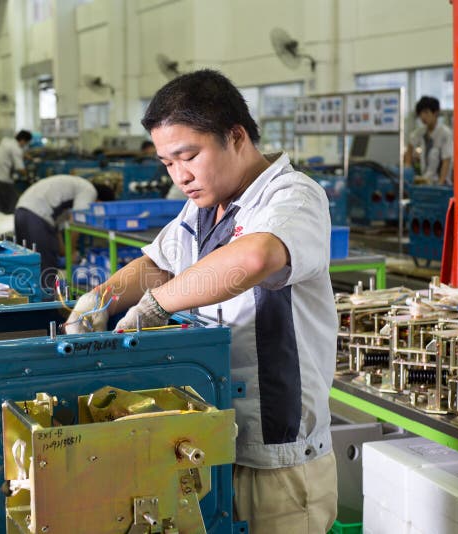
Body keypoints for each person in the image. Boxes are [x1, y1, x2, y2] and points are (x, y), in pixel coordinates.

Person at [65, 69, 338, 533]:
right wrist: (100, 298)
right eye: (167, 164)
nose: (179, 177)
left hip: (277, 463)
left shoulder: (292, 197)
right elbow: (159, 263)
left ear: (235, 136)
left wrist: (156, 307)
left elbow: (256, 257)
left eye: (188, 156)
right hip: (208, 444)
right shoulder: (203, 206)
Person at [15, 174, 115, 293]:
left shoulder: (71, 194)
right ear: (100, 202)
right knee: (46, 268)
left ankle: (31, 300)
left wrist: (63, 251)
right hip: (36, 215)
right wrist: (71, 252)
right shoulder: (89, 190)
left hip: (21, 211)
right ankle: (47, 306)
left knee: (30, 264)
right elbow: (76, 223)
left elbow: (56, 228)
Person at [404, 96, 453, 185]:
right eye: (421, 114)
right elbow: (410, 146)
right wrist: (408, 168)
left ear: (435, 113)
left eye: (426, 112)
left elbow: (447, 160)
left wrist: (440, 184)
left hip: (442, 184)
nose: (423, 117)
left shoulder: (445, 133)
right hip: (425, 182)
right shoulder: (420, 132)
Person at [0, 130, 32, 213]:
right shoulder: (16, 149)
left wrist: (25, 155)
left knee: (0, 205)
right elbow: (20, 168)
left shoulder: (6, 141)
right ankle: (11, 224)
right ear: (23, 140)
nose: (25, 146)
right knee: (13, 204)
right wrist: (29, 177)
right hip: (5, 180)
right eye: (26, 143)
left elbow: (14, 152)